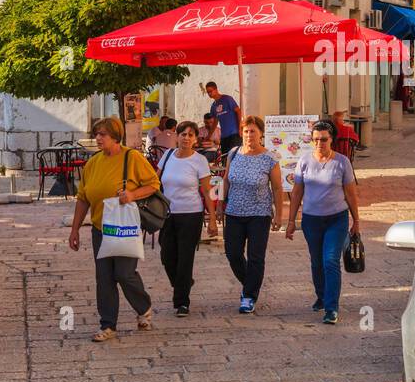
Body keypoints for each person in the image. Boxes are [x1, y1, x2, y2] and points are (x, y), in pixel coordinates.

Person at [68, 117, 160, 343]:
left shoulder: (132, 157)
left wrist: (131, 195)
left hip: (125, 227)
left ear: (115, 136)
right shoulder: (92, 164)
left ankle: (144, 307)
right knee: (104, 278)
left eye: (103, 134)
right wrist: (75, 229)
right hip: (100, 229)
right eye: (97, 133)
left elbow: (153, 184)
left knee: (124, 274)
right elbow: (83, 199)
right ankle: (108, 324)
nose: (98, 138)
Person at [286, 118, 360, 325]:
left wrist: (356, 220)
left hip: (337, 219)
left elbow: (351, 194)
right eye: (316, 139)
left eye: (324, 139)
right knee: (317, 262)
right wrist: (291, 221)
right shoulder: (304, 161)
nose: (320, 143)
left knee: (330, 261)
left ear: (332, 140)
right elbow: (297, 191)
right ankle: (321, 295)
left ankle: (331, 308)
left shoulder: (342, 162)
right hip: (311, 220)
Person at [219, 115, 284, 314]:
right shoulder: (233, 153)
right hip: (234, 212)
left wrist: (279, 215)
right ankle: (250, 284)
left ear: (261, 134)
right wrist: (222, 204)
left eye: (253, 131)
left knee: (256, 257)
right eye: (246, 131)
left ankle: (249, 296)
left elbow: (277, 188)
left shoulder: (270, 158)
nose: (249, 135)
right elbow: (226, 180)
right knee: (233, 254)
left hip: (259, 214)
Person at [157, 121, 218, 316]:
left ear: (195, 139)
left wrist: (213, 219)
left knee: (185, 258)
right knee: (167, 256)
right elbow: (154, 180)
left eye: (191, 135)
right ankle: (183, 283)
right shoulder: (167, 156)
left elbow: (208, 191)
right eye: (183, 134)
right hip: (168, 214)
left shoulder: (199, 160)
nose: (186, 138)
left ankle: (182, 302)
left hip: (191, 214)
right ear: (177, 135)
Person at [205, 81, 241, 152]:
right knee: (224, 158)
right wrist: (209, 135)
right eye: (208, 92)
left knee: (234, 157)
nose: (209, 93)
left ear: (216, 89)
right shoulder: (213, 106)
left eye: (210, 91)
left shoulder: (227, 99)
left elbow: (238, 111)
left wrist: (240, 128)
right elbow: (215, 121)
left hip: (234, 134)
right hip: (224, 136)